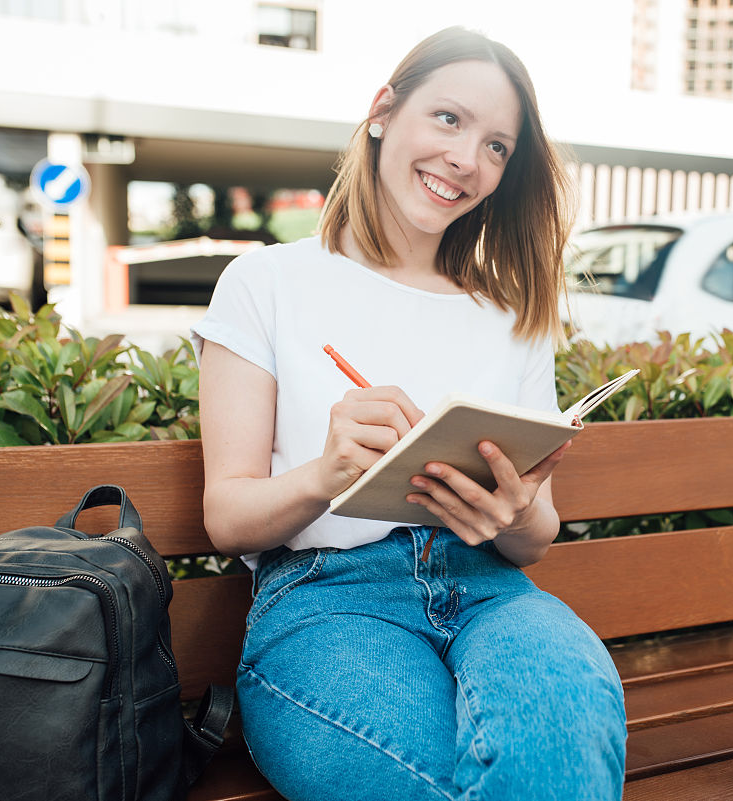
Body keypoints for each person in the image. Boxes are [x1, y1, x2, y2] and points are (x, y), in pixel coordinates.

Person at [190, 26, 627, 801]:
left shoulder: (511, 312)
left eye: (498, 146)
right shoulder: (268, 281)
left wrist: (511, 508)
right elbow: (228, 515)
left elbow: (536, 537)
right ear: (383, 110)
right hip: (329, 601)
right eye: (451, 120)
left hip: (492, 589)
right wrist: (326, 473)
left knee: (562, 745)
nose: (468, 159)